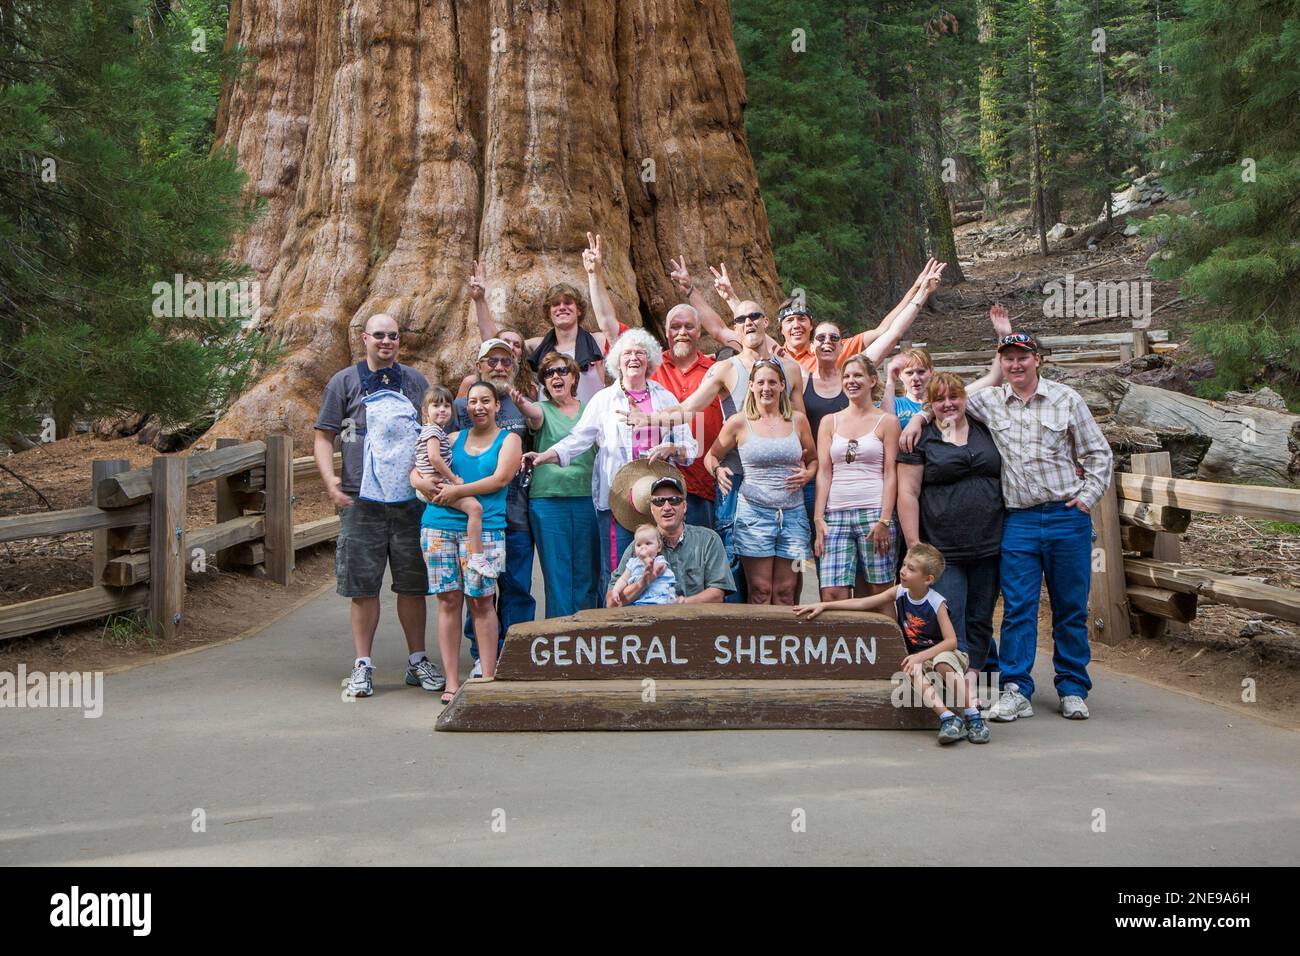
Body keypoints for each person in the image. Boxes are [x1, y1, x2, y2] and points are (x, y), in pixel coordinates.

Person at [900, 332, 1114, 721]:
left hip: (1067, 515)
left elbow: (1098, 452)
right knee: (1018, 607)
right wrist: (919, 415)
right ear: (1002, 364)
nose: (1016, 365)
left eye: (1023, 358)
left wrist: (1088, 496)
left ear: (1037, 360)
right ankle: (1017, 688)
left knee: (1069, 606)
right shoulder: (991, 403)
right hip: (1018, 520)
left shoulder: (1067, 400)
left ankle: (1072, 686)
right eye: (1008, 359)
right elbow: (948, 400)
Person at [313, 313, 442, 699]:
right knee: (362, 586)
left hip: (409, 501)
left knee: (412, 584)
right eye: (380, 336)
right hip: (360, 499)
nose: (387, 342)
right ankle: (363, 664)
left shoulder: (415, 382)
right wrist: (329, 479)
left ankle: (417, 659)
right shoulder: (344, 382)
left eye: (394, 336)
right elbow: (324, 436)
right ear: (364, 337)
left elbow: (433, 430)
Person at [524, 328, 697, 597]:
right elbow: (577, 439)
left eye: (640, 352)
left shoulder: (665, 398)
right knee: (616, 570)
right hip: (617, 500)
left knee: (664, 568)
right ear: (617, 361)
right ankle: (618, 630)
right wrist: (545, 455)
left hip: (659, 500)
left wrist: (671, 448)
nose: (634, 358)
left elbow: (691, 447)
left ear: (649, 360)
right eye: (627, 353)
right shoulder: (604, 400)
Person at [795, 544, 990, 745]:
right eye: (904, 565)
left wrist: (920, 656)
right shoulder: (899, 592)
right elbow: (864, 603)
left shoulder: (936, 602)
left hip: (951, 654)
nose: (903, 571)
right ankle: (948, 718)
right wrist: (825, 605)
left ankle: (974, 717)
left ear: (928, 579)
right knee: (911, 669)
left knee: (940, 663)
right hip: (923, 657)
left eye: (911, 569)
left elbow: (951, 641)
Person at [896, 373, 1004, 703]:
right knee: (951, 615)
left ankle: (971, 679)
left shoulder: (985, 427)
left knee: (981, 615)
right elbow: (908, 493)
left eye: (954, 397)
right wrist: (914, 545)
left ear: (963, 398)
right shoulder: (920, 437)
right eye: (940, 399)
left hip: (989, 542)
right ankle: (951, 684)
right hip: (943, 548)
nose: (948, 404)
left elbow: (996, 376)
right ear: (930, 404)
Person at [411, 380, 521, 704]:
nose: (479, 407)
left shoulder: (508, 440)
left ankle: (487, 677)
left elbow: (500, 479)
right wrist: (420, 481)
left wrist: (457, 490)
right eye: (473, 402)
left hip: (484, 529)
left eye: (486, 401)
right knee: (447, 602)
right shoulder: (451, 438)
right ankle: (451, 682)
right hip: (439, 526)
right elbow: (417, 470)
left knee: (482, 602)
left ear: (497, 405)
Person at [705, 359, 816, 605]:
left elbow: (813, 459)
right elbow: (711, 456)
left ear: (782, 386)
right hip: (753, 516)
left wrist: (808, 474)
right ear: (752, 386)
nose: (767, 388)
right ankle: (762, 642)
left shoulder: (798, 421)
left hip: (794, 518)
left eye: (773, 382)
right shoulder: (739, 422)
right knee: (761, 589)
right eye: (761, 382)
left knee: (787, 590)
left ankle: (786, 641)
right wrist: (718, 470)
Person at [453, 337, 534, 674]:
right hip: (475, 517)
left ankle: (513, 652)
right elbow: (442, 450)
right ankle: (480, 654)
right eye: (492, 361)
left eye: (505, 361)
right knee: (478, 589)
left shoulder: (522, 404)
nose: (499, 367)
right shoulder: (462, 407)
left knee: (516, 586)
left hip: (516, 513)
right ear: (480, 366)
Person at [472, 236, 623, 402]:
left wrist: (595, 274)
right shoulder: (539, 346)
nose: (562, 307)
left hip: (590, 423)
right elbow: (495, 345)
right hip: (551, 425)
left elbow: (608, 323)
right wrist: (480, 300)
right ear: (549, 313)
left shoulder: (596, 341)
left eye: (568, 303)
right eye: (555, 304)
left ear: (579, 310)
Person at [519, 351, 600, 618]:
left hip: (587, 499)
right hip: (548, 501)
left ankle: (588, 635)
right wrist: (518, 400)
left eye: (562, 371)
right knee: (557, 574)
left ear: (574, 376)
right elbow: (530, 412)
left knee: (588, 571)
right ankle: (560, 637)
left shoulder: (591, 409)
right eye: (549, 373)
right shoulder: (541, 410)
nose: (556, 376)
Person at [813, 354, 899, 600]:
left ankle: (885, 640)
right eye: (847, 376)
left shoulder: (887, 422)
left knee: (877, 592)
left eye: (858, 375)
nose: (851, 381)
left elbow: (890, 473)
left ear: (872, 380)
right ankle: (840, 639)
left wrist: (884, 520)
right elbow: (824, 472)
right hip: (836, 513)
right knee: (832, 592)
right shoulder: (829, 422)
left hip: (873, 512)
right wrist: (819, 517)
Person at [646, 304, 724, 528]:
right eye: (675, 327)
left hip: (704, 484)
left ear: (699, 332)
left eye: (689, 326)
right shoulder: (650, 369)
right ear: (666, 331)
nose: (682, 332)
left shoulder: (716, 371)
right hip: (655, 486)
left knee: (701, 557)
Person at [608, 477, 735, 604]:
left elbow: (718, 594)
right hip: (649, 621)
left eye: (674, 500)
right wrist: (643, 582)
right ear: (652, 509)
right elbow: (611, 603)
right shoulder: (638, 547)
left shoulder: (708, 539)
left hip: (695, 620)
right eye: (659, 501)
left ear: (684, 506)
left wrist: (681, 604)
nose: (667, 507)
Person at [415, 386, 496, 579]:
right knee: (475, 508)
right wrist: (453, 479)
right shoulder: (433, 431)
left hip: (432, 483)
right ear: (425, 411)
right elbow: (434, 458)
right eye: (436, 405)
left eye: (446, 406)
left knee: (473, 508)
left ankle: (475, 555)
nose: (442, 409)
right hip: (436, 484)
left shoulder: (437, 431)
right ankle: (477, 557)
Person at [609, 524, 682, 606]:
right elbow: (623, 579)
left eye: (648, 543)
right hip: (639, 601)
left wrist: (647, 561)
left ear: (658, 547)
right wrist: (616, 591)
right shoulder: (632, 563)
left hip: (660, 598)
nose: (643, 547)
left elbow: (660, 569)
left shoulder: (659, 560)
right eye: (639, 545)